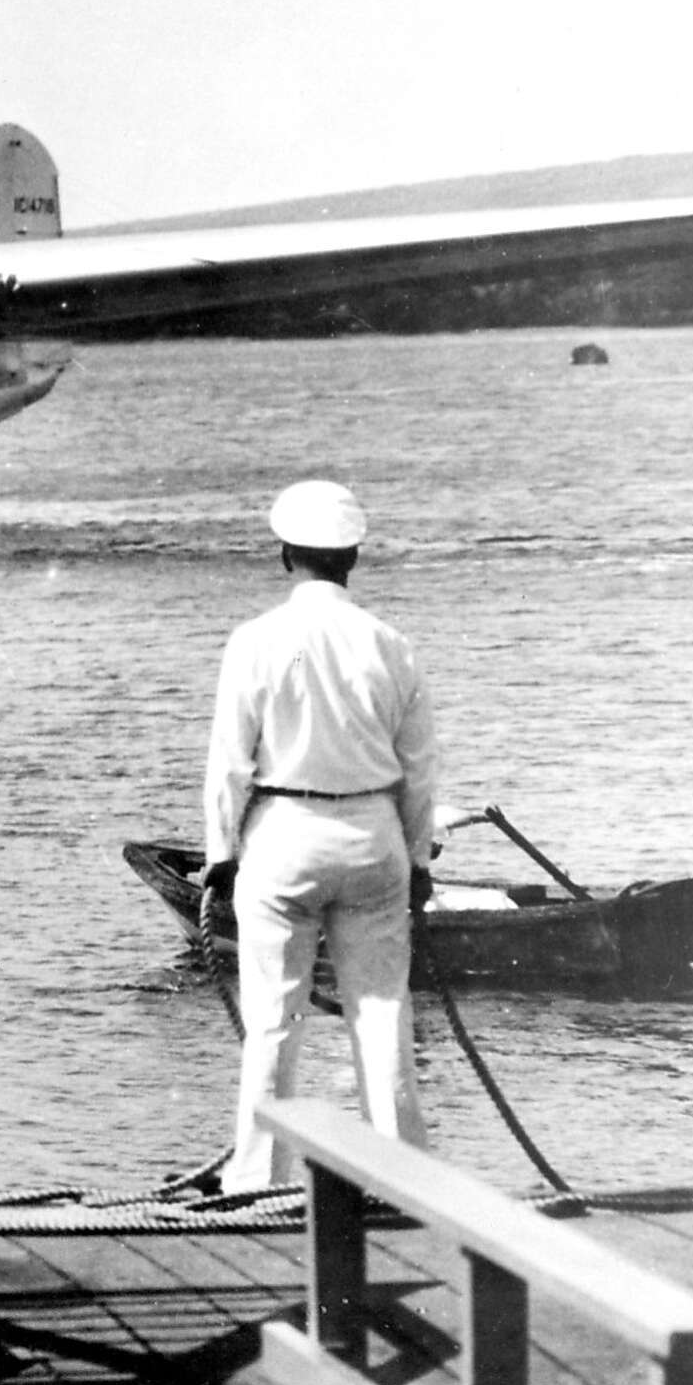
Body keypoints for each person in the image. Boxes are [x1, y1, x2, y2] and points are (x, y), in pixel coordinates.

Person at [203, 480, 438, 1193]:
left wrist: (219, 855)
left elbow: (229, 763)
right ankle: (402, 1182)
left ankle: (259, 1181)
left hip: (283, 831)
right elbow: (420, 768)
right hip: (372, 832)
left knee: (274, 1018)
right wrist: (420, 855)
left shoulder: (254, 641)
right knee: (381, 1013)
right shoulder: (390, 644)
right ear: (354, 556)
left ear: (285, 555)